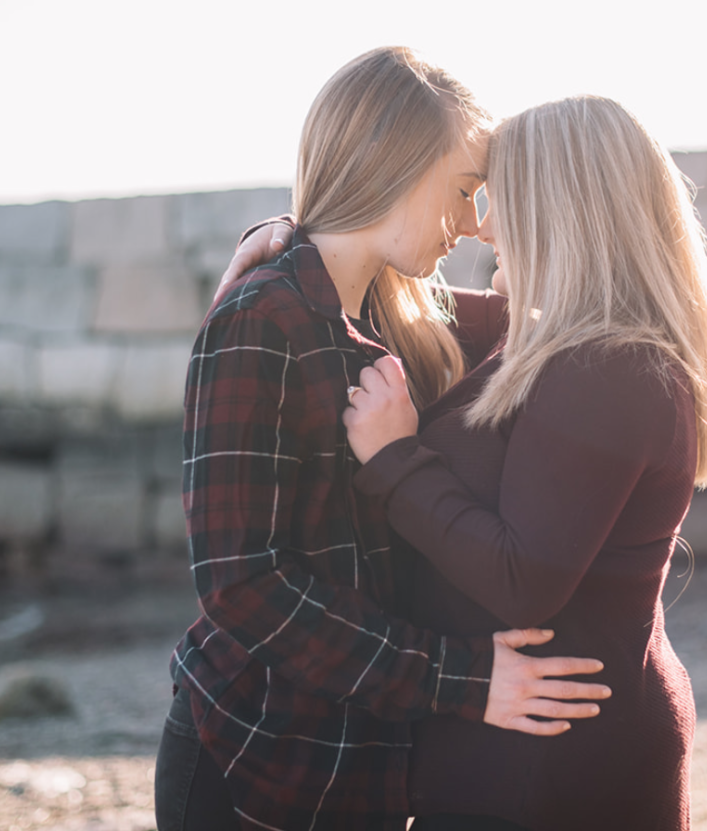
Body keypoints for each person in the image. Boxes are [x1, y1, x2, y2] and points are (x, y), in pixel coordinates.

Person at [159, 47, 613, 831]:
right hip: (253, 764)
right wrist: (463, 679)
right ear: (395, 162)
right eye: (464, 189)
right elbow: (241, 586)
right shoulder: (260, 320)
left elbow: (573, 318)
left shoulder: (405, 318)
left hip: (364, 772)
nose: (473, 224)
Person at [339, 95, 707, 830]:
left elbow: (522, 580)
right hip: (542, 749)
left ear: (558, 210)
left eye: (499, 198)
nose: (481, 225)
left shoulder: (608, 368)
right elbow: (391, 295)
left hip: (555, 769)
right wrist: (291, 242)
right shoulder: (552, 337)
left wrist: (395, 460)